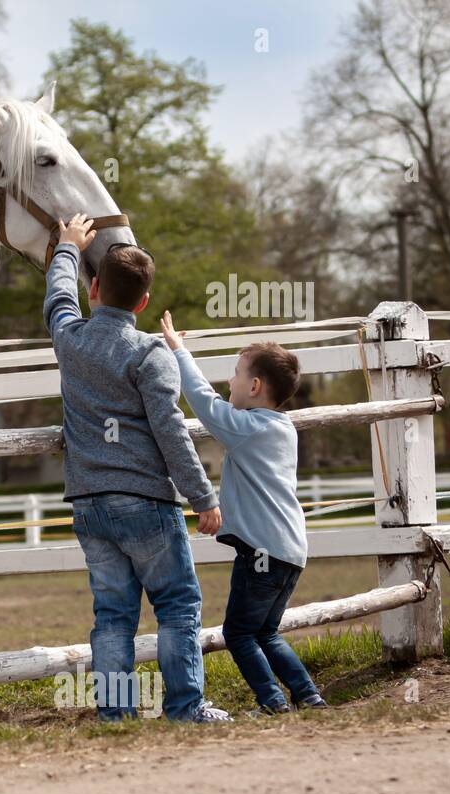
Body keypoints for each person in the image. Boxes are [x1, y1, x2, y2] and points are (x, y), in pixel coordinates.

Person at [45, 215, 230, 722]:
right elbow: (171, 433)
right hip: (146, 501)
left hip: (88, 502)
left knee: (112, 617)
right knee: (176, 606)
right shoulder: (150, 352)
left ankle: (115, 715)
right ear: (144, 303)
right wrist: (203, 497)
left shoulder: (71, 340)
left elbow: (58, 301)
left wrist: (66, 248)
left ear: (96, 289)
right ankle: (186, 709)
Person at [160, 312, 327, 715]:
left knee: (238, 633)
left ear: (254, 387)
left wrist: (179, 352)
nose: (229, 382)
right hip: (288, 551)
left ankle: (272, 702)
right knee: (265, 632)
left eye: (236, 374)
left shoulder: (250, 427)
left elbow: (204, 403)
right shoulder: (280, 426)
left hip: (263, 554)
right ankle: (308, 695)